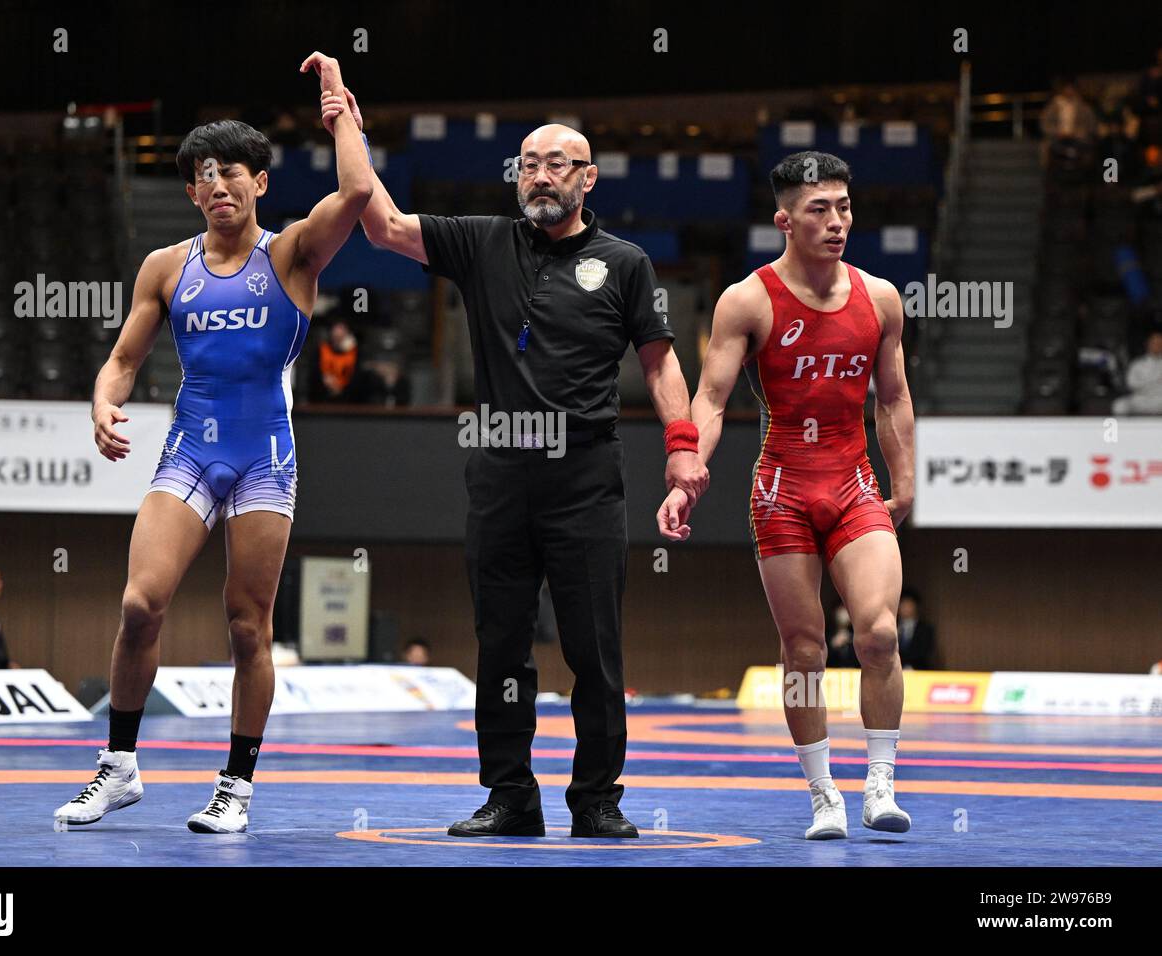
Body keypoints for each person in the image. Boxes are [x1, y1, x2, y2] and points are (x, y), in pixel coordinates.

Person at [326, 89, 707, 838]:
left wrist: (683, 449)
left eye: (555, 164)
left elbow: (661, 365)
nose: (538, 176)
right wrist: (347, 120)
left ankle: (597, 799)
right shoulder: (481, 242)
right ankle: (510, 796)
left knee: (593, 648)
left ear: (587, 178)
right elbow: (380, 221)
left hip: (587, 477)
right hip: (500, 471)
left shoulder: (624, 264)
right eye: (527, 164)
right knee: (501, 644)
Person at [54, 52, 373, 834]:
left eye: (232, 171)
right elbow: (125, 359)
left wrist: (338, 108)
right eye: (203, 174)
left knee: (245, 625)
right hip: (191, 452)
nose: (217, 184)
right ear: (191, 189)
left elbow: (360, 192)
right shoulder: (167, 267)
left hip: (264, 456)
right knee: (140, 603)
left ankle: (236, 783)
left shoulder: (292, 252)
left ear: (259, 183)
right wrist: (102, 400)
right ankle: (119, 766)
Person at [660, 151, 916, 840]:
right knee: (804, 650)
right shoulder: (747, 300)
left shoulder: (881, 298)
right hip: (783, 488)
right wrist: (686, 466)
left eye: (844, 207)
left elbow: (891, 397)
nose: (837, 222)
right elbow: (709, 398)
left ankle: (881, 784)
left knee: (881, 633)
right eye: (819, 210)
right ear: (784, 221)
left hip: (854, 482)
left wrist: (907, 477)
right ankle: (823, 793)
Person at [1112, 330, 1162, 414]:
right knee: (1119, 406)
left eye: (1159, 343)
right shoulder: (1137, 364)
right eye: (1154, 343)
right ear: (1148, 344)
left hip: (1159, 399)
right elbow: (1131, 384)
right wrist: (1154, 382)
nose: (1156, 346)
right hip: (1141, 399)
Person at [896, 588, 936, 671]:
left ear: (916, 606)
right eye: (902, 604)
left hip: (919, 671)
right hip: (895, 671)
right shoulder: (892, 626)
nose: (905, 608)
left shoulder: (926, 629)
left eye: (909, 604)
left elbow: (924, 652)